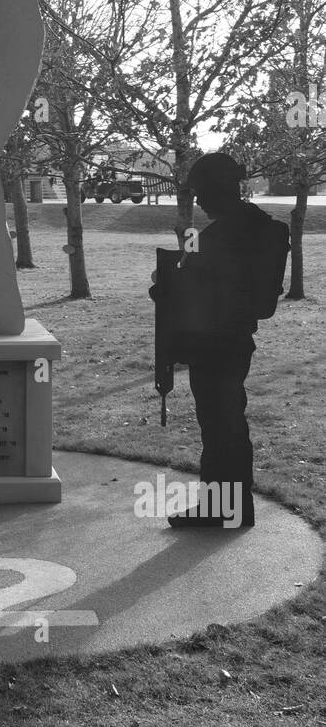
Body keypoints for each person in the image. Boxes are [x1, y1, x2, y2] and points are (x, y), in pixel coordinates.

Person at [150, 152, 288, 528]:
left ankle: (223, 508)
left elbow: (187, 287)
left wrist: (164, 286)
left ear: (220, 189)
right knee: (226, 422)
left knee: (219, 424)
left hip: (214, 342)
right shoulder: (260, 227)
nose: (198, 201)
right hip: (233, 339)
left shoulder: (218, 235)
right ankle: (231, 505)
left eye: (202, 192)